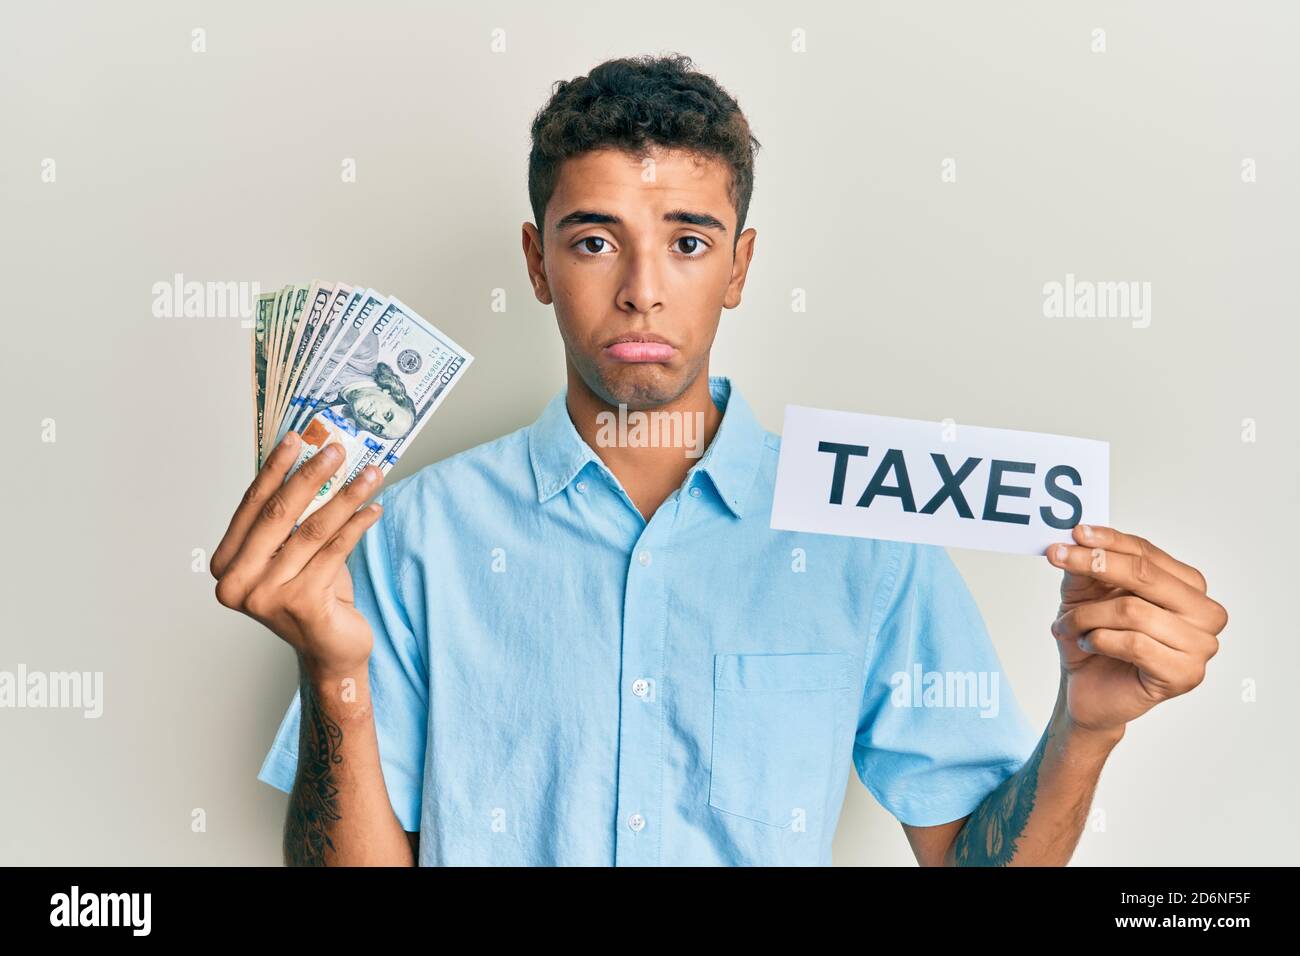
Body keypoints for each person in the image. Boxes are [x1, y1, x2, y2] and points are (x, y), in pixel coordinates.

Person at [211, 53, 1228, 866]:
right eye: (595, 241)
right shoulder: (415, 535)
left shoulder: (865, 534)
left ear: (740, 267)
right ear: (536, 261)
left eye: (689, 242)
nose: (643, 289)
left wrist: (1086, 729)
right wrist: (331, 668)